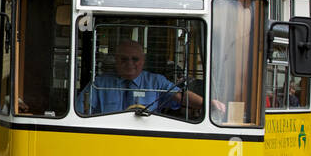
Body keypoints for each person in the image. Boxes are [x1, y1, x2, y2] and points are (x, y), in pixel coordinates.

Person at [81, 40, 220, 116]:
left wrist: (208, 104)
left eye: (135, 59)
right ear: (116, 60)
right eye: (124, 59)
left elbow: (181, 96)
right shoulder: (100, 83)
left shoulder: (156, 82)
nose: (129, 63)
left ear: (143, 61)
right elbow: (81, 111)